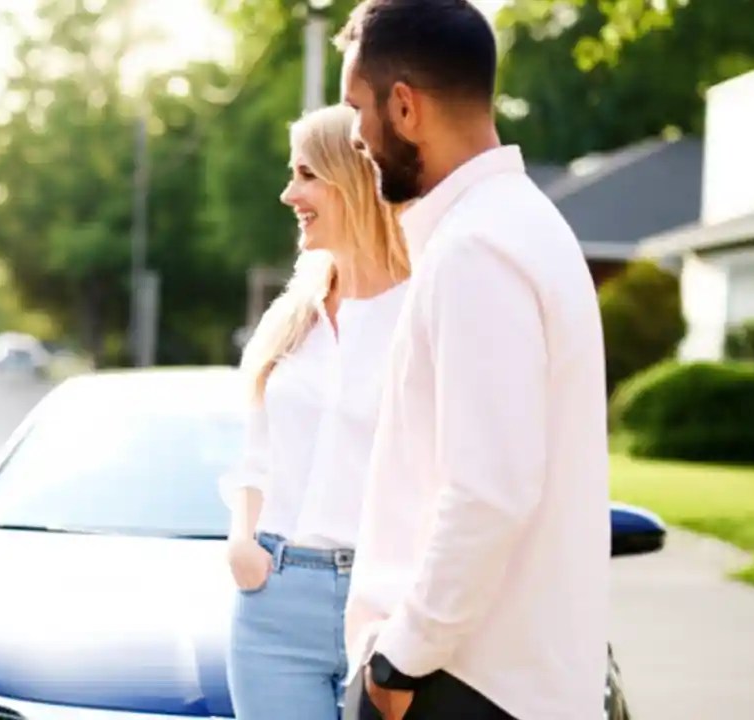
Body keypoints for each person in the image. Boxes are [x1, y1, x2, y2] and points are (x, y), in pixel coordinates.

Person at [333, 2, 611, 719]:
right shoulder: (516, 227)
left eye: (357, 108)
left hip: (464, 685)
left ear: (403, 106)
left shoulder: (477, 250)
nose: (355, 135)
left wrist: (400, 659)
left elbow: (490, 490)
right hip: (487, 680)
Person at [220, 103, 411, 720]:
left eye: (306, 174)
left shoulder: (422, 310)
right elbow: (257, 453)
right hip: (275, 599)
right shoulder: (292, 316)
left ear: (352, 179)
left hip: (387, 605)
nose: (288, 193)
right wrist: (242, 542)